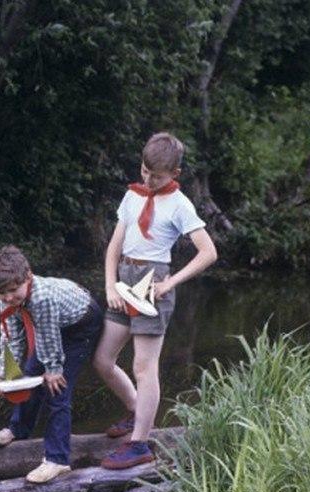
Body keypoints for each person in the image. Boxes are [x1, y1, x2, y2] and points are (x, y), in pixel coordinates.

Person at [92, 132, 218, 468]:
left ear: (174, 173)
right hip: (124, 279)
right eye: (145, 172)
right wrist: (110, 287)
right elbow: (114, 246)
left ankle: (140, 444)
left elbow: (208, 252)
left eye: (157, 176)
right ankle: (135, 411)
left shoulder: (179, 204)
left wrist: (171, 282)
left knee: (144, 368)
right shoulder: (132, 196)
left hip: (153, 283)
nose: (148, 180)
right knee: (103, 360)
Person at [0, 245, 103, 484]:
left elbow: (48, 337)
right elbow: (10, 337)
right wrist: (3, 376)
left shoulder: (42, 298)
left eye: (13, 290)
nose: (8, 297)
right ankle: (19, 429)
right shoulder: (7, 298)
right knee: (29, 375)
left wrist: (54, 370)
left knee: (57, 389)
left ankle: (57, 459)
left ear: (28, 277)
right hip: (53, 327)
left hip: (80, 325)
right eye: (2, 293)